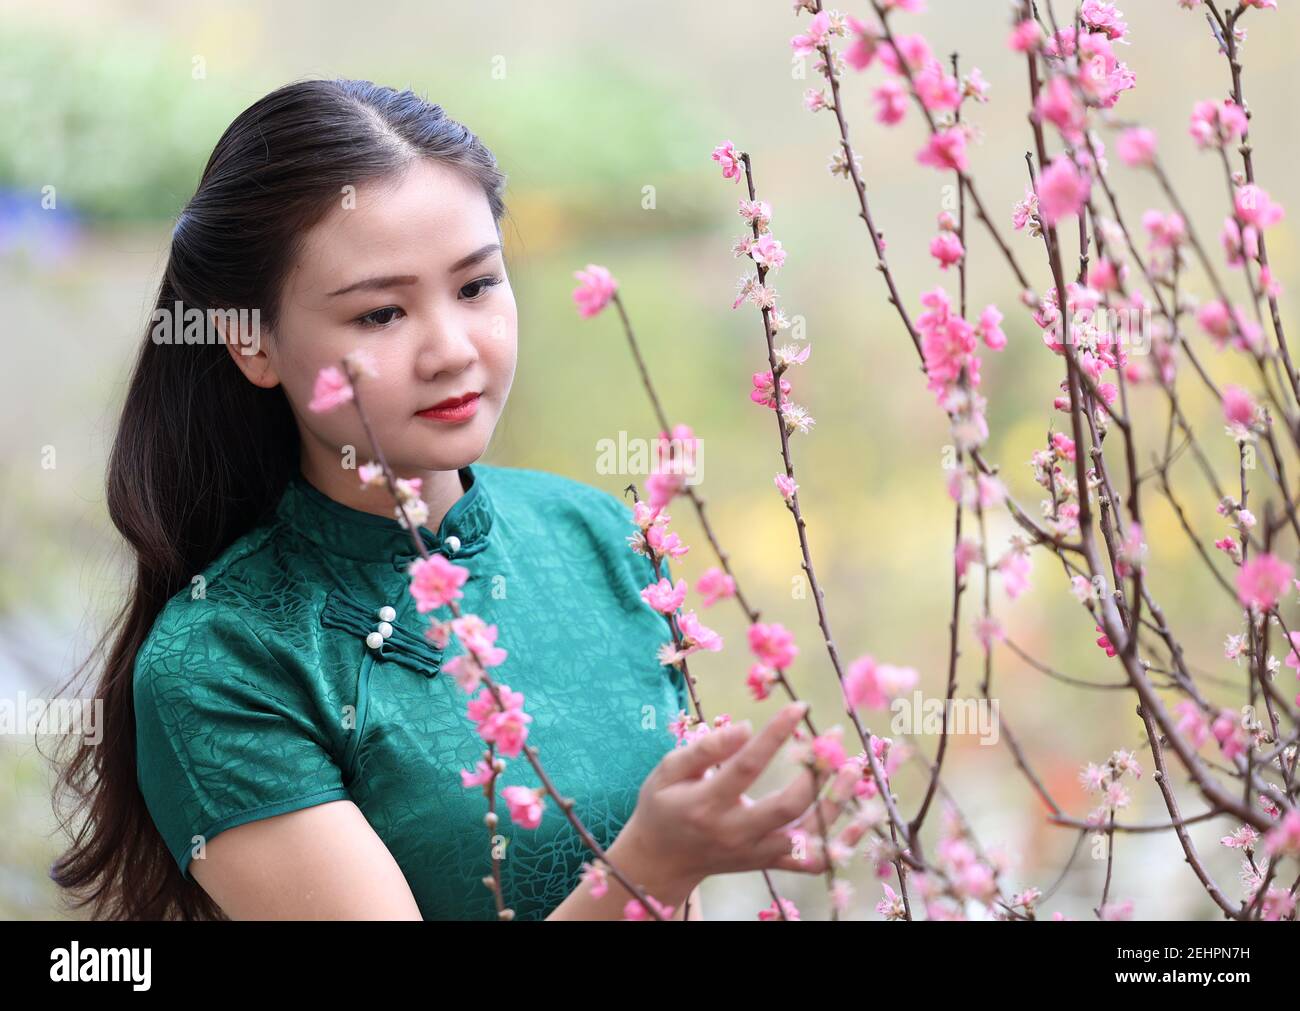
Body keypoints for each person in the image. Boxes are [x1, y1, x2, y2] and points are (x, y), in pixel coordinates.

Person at [49, 79, 852, 921]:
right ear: (253, 342)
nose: (451, 350)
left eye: (476, 287)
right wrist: (651, 863)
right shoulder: (224, 662)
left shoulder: (602, 537)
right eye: (382, 313)